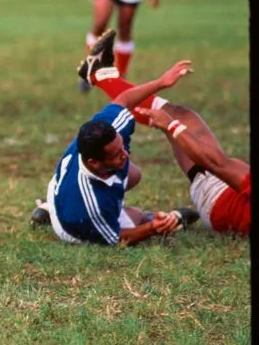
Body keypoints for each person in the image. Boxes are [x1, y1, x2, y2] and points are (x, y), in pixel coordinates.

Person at [78, 31, 250, 237]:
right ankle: (101, 74)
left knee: (177, 116)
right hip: (226, 204)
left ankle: (100, 75)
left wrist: (172, 127)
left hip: (219, 201)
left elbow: (216, 164)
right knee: (180, 117)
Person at [33, 33, 195, 246]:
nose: (125, 154)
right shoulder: (89, 206)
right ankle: (53, 213)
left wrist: (161, 83)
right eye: (117, 154)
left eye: (122, 147)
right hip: (71, 225)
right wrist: (150, 228)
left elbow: (124, 99)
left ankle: (48, 207)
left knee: (134, 174)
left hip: (61, 186)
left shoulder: (109, 130)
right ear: (94, 162)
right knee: (134, 219)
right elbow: (118, 239)